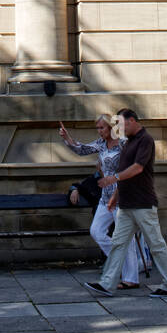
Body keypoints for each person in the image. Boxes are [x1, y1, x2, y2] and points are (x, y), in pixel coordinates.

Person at [83, 108, 167, 297]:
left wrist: (113, 178)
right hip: (125, 205)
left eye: (122, 124)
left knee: (156, 244)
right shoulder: (128, 143)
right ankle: (108, 283)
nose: (120, 129)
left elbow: (137, 168)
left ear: (132, 121)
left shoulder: (146, 140)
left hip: (143, 203)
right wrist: (114, 197)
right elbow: (125, 174)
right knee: (118, 244)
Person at [59, 115, 149, 288]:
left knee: (125, 238)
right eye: (98, 128)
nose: (99, 131)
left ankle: (130, 279)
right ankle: (121, 266)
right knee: (96, 231)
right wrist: (67, 138)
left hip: (122, 195)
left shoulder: (123, 144)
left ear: (110, 127)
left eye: (102, 128)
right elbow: (82, 149)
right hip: (105, 197)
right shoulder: (101, 144)